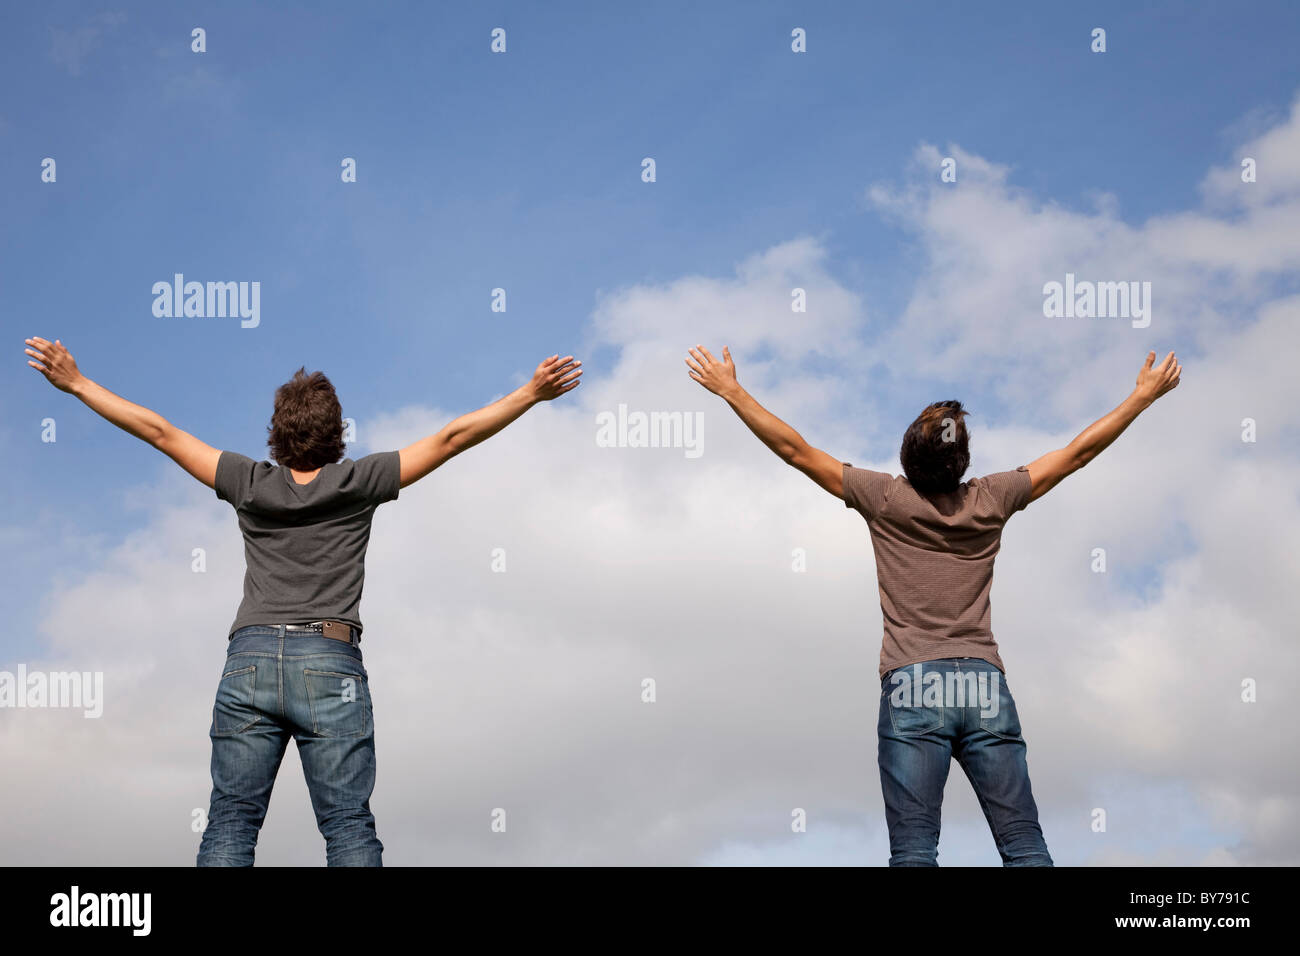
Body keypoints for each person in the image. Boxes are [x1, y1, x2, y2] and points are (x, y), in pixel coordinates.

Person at [23, 336, 581, 866]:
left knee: (231, 821)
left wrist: (78, 384)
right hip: (330, 662)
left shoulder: (247, 481)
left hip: (250, 661)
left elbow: (161, 432)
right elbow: (452, 438)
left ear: (276, 433)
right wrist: (529, 394)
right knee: (347, 824)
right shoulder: (359, 481)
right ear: (337, 431)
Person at [685, 344, 1182, 866]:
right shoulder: (992, 498)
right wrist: (1141, 398)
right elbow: (1077, 453)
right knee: (1024, 845)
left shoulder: (884, 499)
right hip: (984, 684)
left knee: (915, 851)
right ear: (962, 460)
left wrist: (732, 391)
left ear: (907, 456)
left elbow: (796, 451)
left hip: (913, 684)